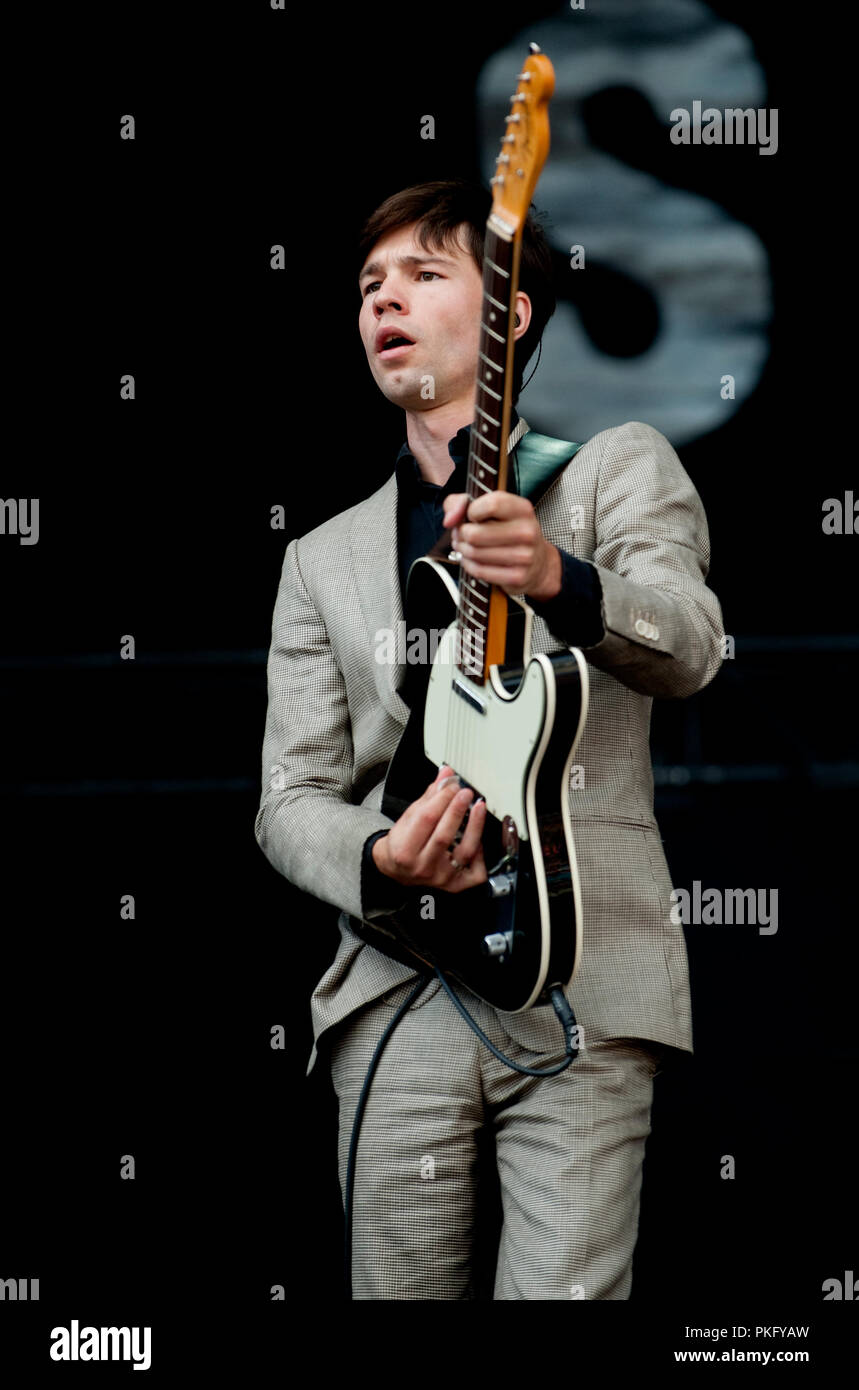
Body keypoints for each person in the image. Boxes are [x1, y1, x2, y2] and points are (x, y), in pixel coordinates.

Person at [255, 179, 724, 1300]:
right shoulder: (321, 559)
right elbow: (288, 796)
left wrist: (563, 578)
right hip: (396, 989)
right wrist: (377, 859)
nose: (386, 301)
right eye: (370, 284)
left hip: (585, 979)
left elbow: (693, 644)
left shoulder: (614, 466)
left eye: (424, 273)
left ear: (507, 314)